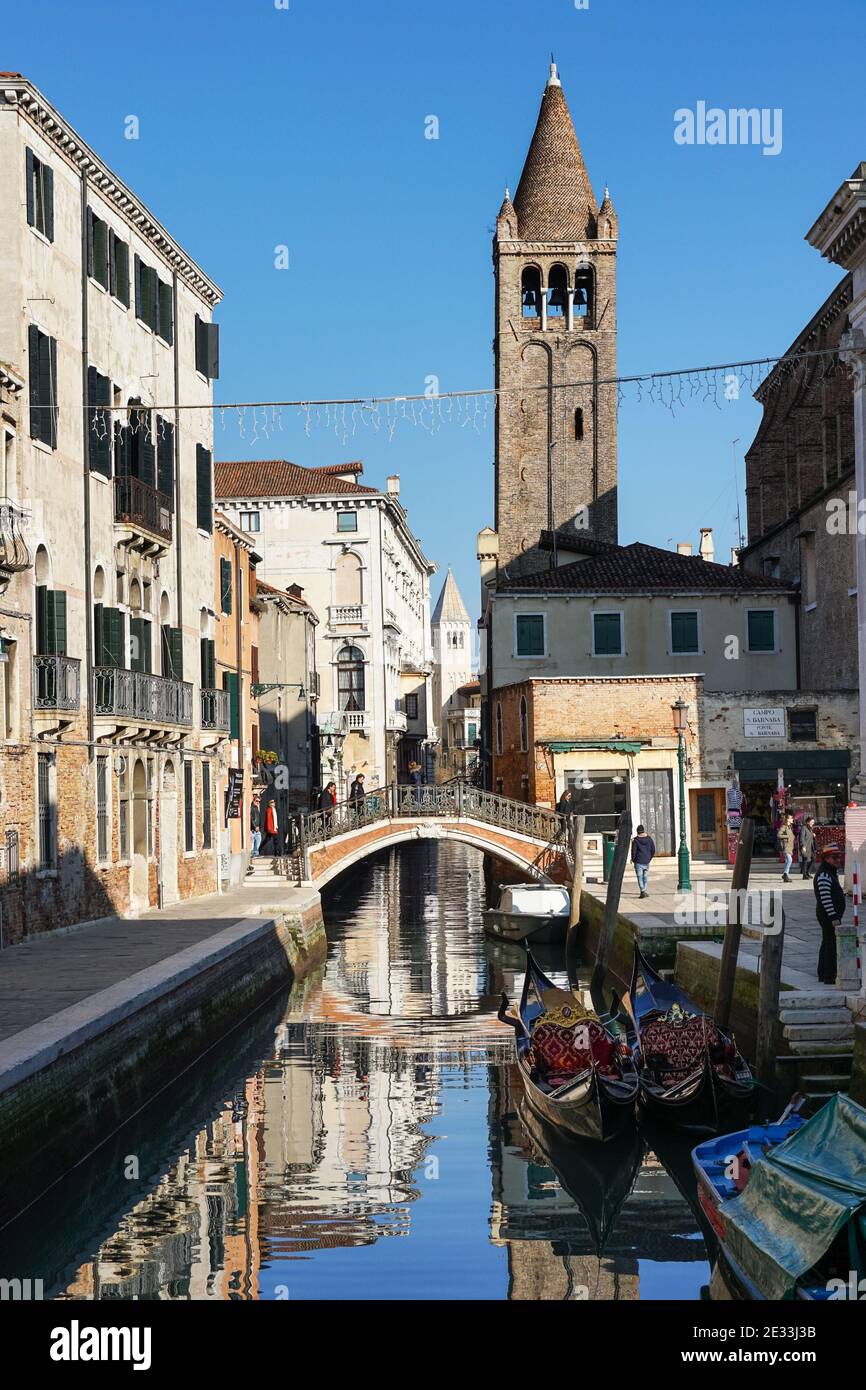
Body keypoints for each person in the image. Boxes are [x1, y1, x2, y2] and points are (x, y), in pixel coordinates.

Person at [814, 843, 844, 985]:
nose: (838, 860)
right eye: (835, 858)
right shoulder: (825, 874)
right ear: (826, 859)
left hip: (828, 915)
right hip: (828, 916)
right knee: (831, 944)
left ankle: (823, 973)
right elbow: (825, 898)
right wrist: (833, 917)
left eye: (839, 857)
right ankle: (829, 975)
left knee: (827, 942)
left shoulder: (830, 873)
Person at [630, 823, 656, 898]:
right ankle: (644, 890)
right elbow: (653, 850)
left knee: (640, 877)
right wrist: (649, 858)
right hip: (646, 861)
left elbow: (633, 851)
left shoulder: (635, 840)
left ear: (637, 832)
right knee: (645, 877)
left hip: (638, 861)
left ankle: (642, 891)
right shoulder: (649, 839)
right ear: (643, 831)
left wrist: (633, 859)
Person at [777, 813, 795, 883]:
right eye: (791, 818)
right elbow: (778, 835)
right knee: (790, 860)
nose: (792, 819)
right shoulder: (784, 826)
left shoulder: (789, 826)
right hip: (786, 846)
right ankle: (785, 874)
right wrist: (787, 836)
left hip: (790, 846)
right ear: (787, 819)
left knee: (787, 861)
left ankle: (785, 875)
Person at [798, 815, 817, 879]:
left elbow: (811, 837)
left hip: (811, 847)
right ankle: (804, 875)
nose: (813, 823)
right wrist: (803, 846)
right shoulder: (804, 828)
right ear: (808, 822)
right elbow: (801, 838)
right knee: (805, 860)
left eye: (813, 822)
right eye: (812, 822)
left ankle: (808, 872)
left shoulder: (810, 828)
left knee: (813, 859)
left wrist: (813, 836)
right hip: (805, 847)